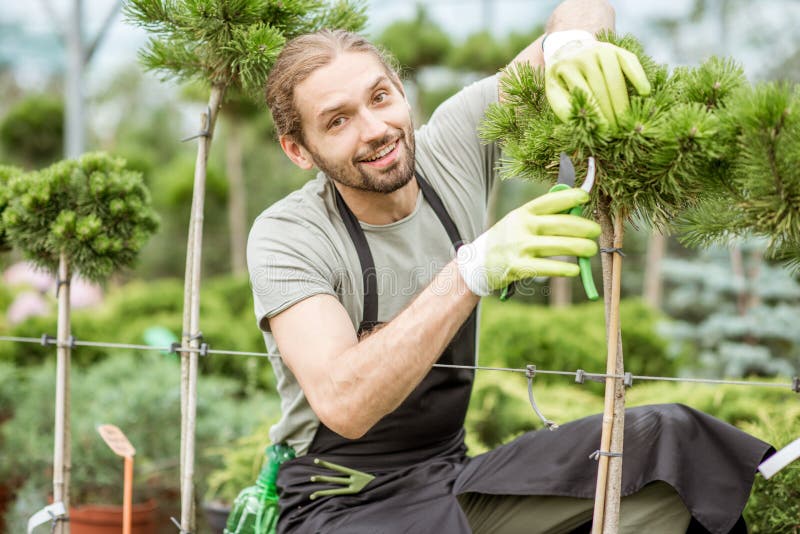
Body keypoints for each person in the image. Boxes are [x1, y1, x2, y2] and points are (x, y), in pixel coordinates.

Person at [247, 1, 771, 532]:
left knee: (667, 445)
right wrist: (473, 269)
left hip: (446, 475)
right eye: (338, 121)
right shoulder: (288, 236)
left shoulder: (450, 147)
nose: (375, 128)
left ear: (402, 93)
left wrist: (571, 48)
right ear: (299, 150)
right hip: (337, 502)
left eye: (380, 98)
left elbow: (583, 9)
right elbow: (345, 404)